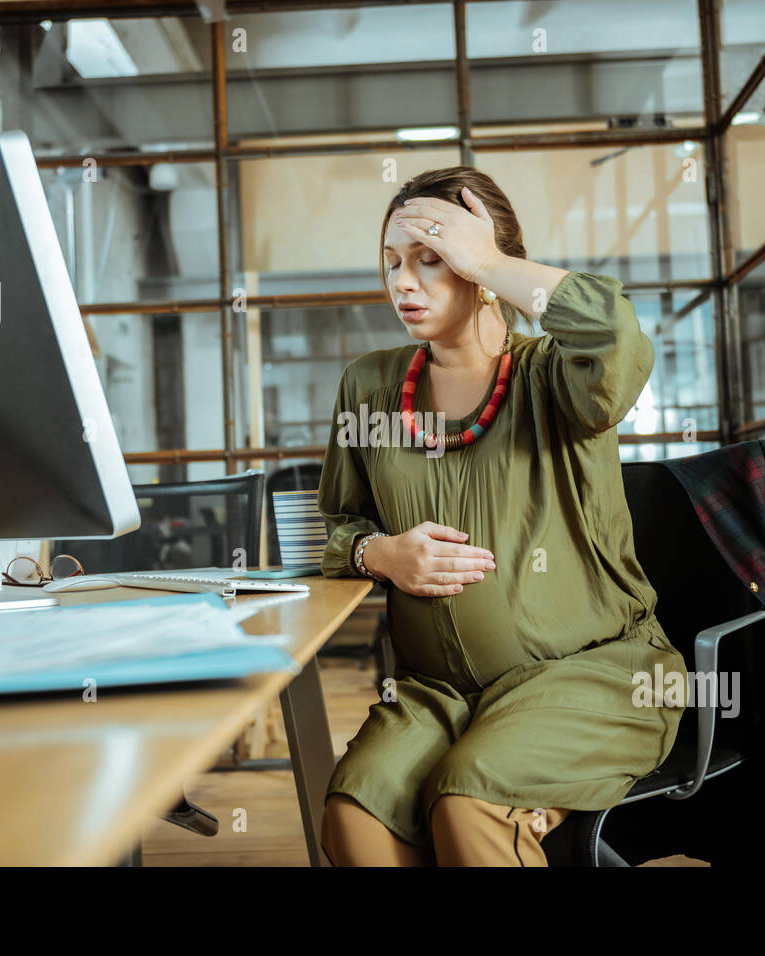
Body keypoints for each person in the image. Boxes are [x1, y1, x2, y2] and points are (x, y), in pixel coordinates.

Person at [316, 166, 688, 866]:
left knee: (471, 804)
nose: (403, 282)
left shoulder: (557, 375)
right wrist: (379, 554)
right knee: (355, 813)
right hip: (437, 693)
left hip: (593, 675)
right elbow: (335, 524)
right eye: (392, 262)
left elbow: (617, 336)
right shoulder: (368, 385)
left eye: (432, 259)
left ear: (487, 269)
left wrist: (488, 258)